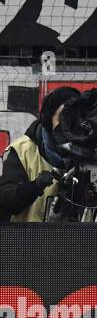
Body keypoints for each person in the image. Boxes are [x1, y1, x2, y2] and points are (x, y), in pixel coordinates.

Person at [0, 87, 79, 223]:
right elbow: (6, 202)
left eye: (75, 117)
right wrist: (35, 187)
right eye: (63, 117)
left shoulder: (87, 153)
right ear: (48, 120)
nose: (68, 124)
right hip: (29, 239)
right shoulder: (22, 150)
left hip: (74, 241)